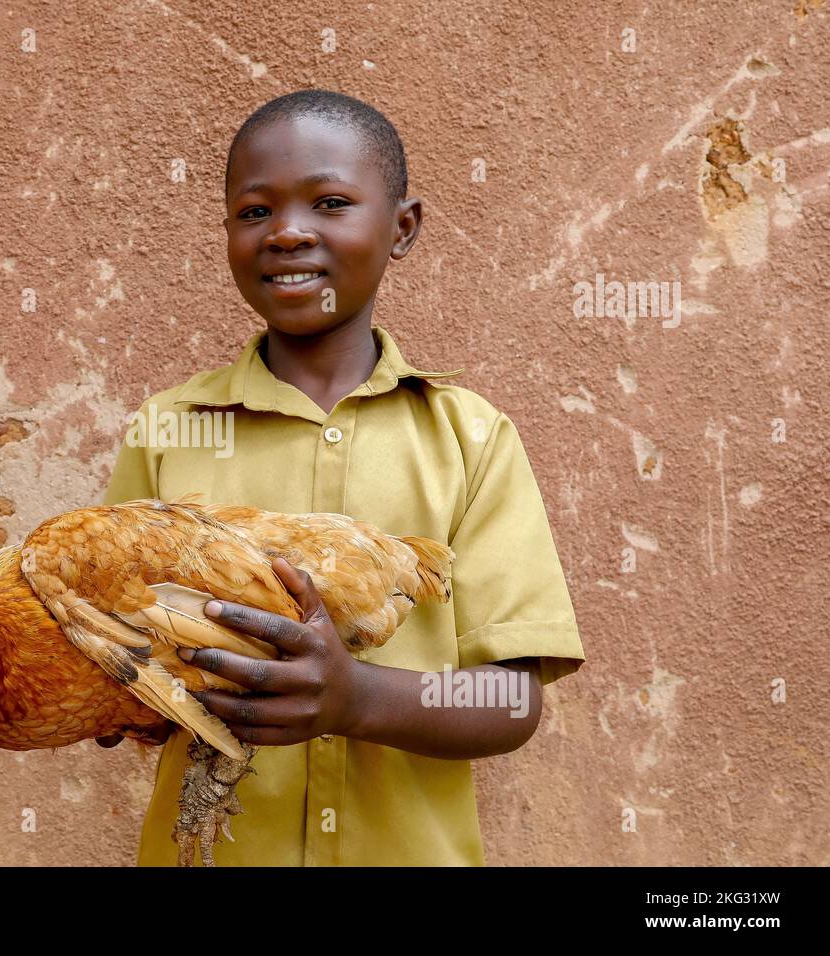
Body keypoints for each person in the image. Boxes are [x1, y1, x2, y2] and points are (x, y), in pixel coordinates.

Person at [101, 89, 586, 865]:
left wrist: (355, 699)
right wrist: (115, 693)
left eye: (329, 202)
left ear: (403, 228)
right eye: (254, 212)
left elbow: (510, 700)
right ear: (227, 232)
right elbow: (115, 646)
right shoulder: (167, 430)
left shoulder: (470, 438)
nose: (288, 232)